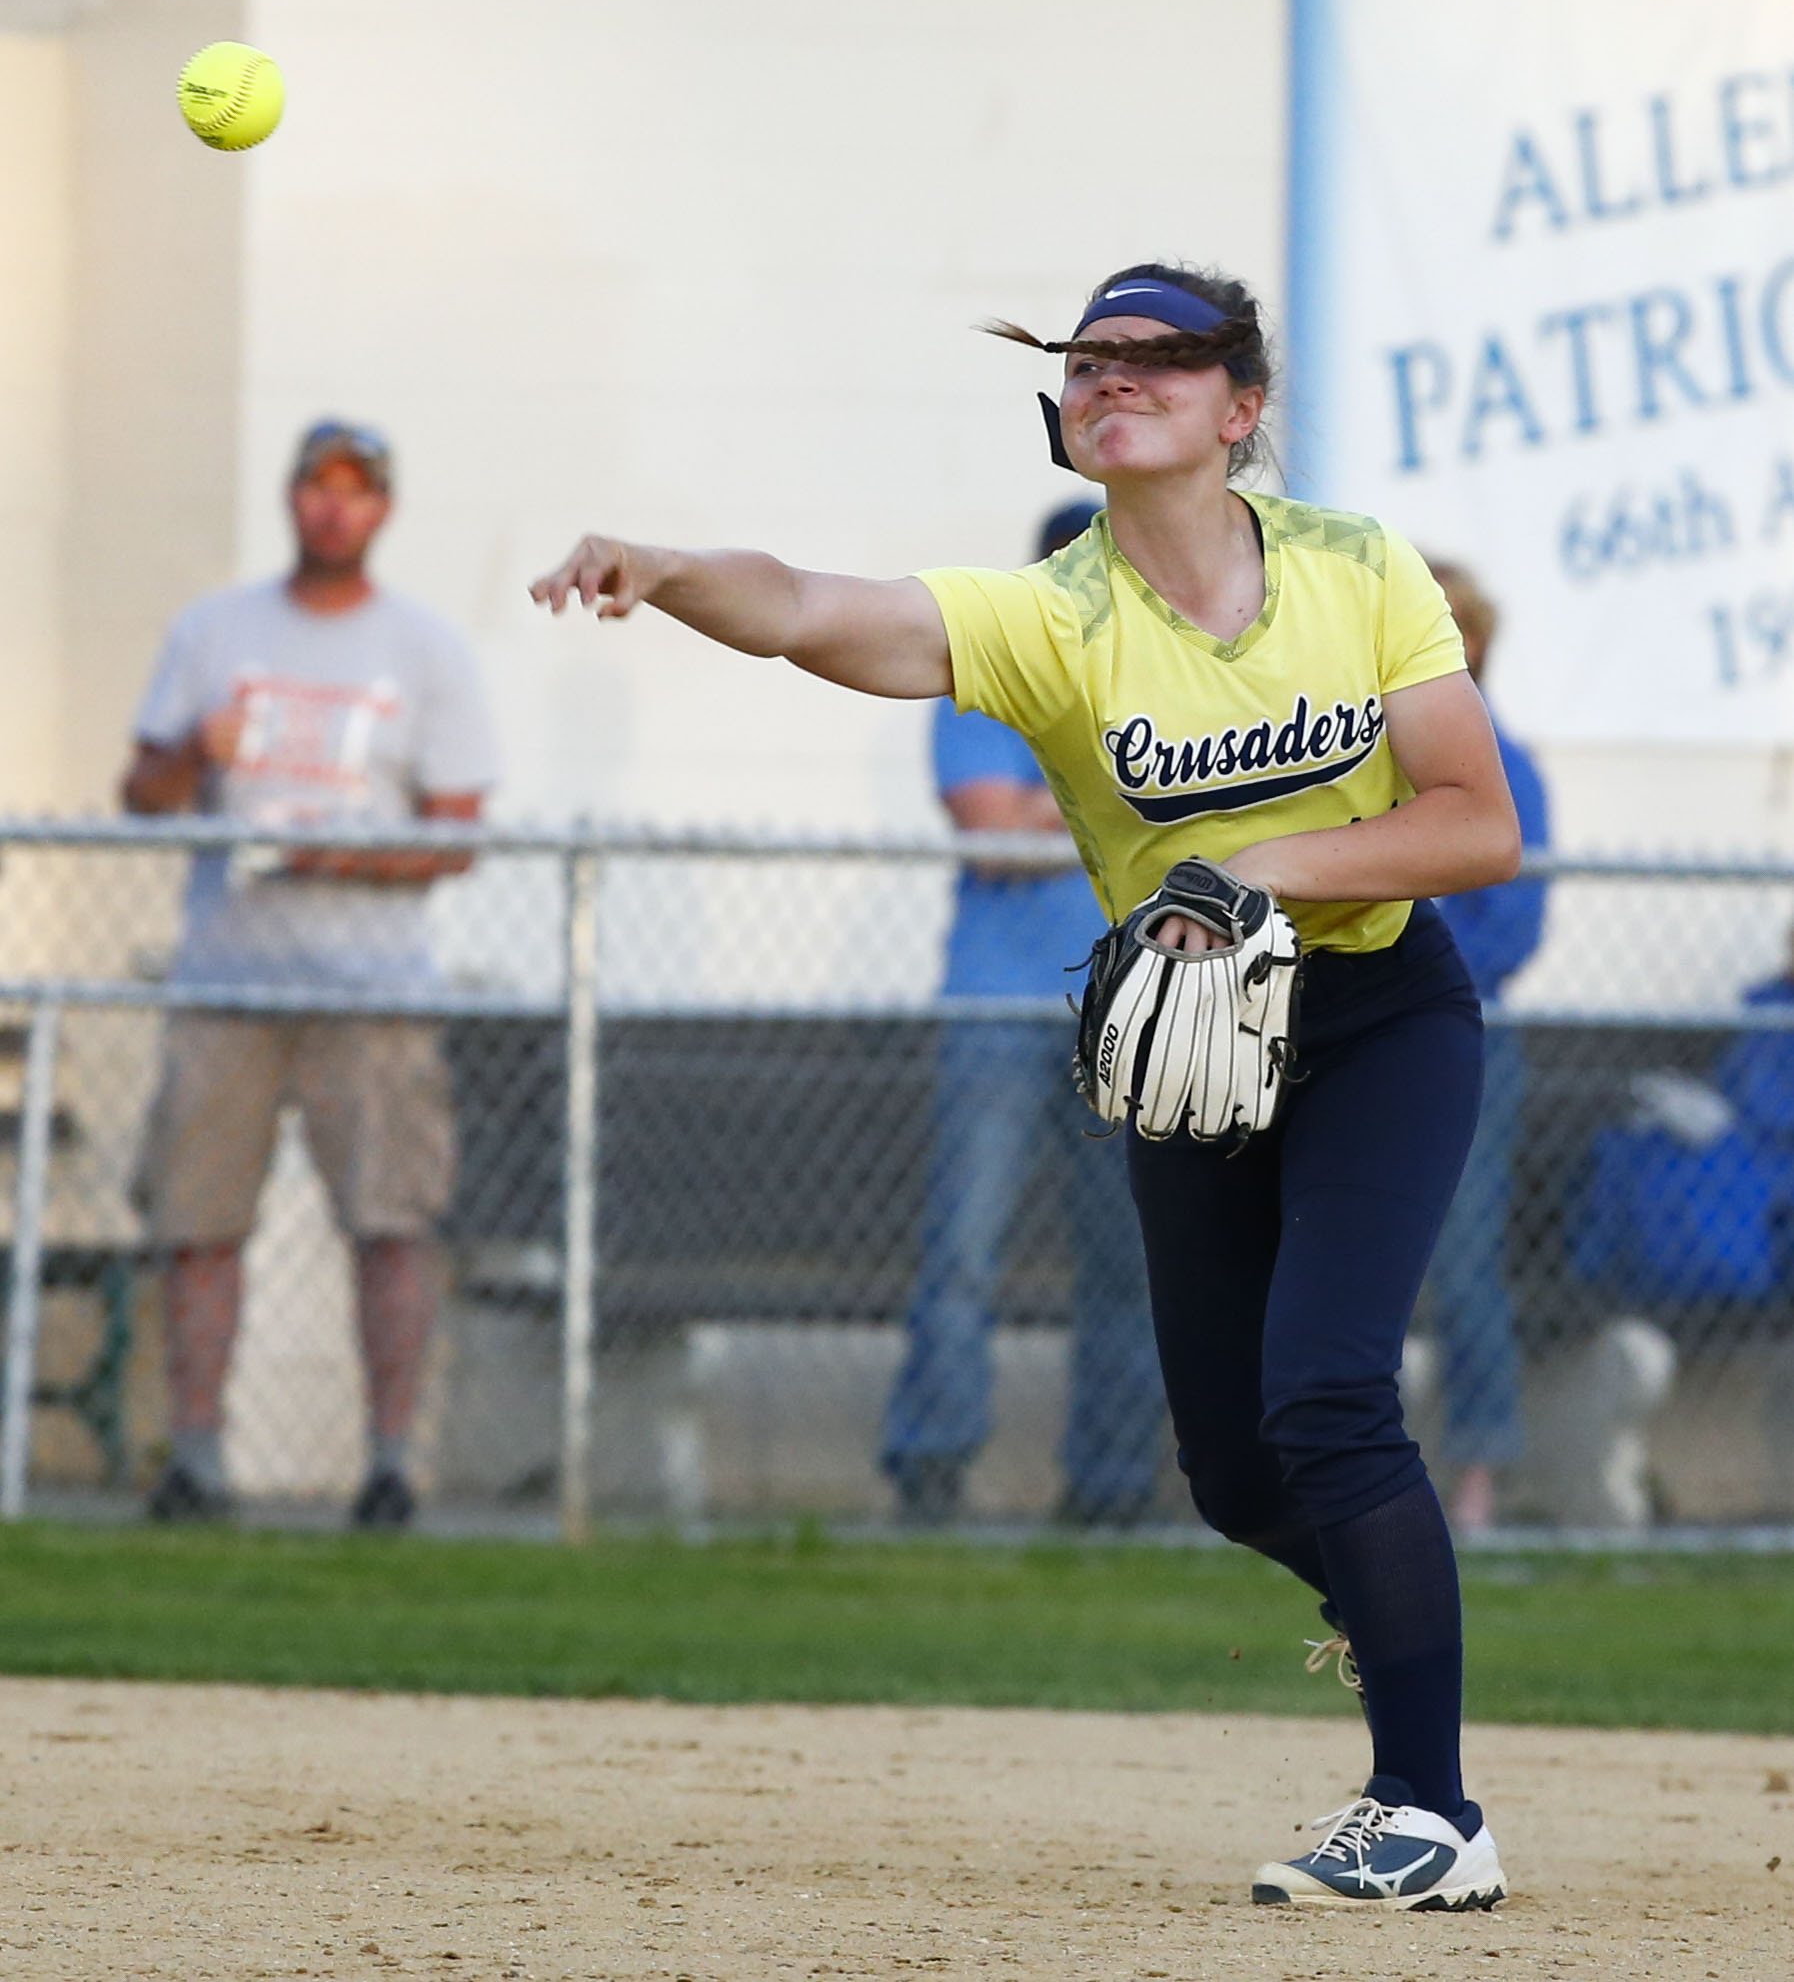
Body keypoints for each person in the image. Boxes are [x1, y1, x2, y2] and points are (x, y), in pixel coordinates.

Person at [530, 261, 1521, 1910]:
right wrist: (672, 565)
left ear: (1237, 405)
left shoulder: (1352, 568)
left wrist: (1252, 861)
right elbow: (801, 606)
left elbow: (1472, 819)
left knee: (1328, 1392)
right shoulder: (1057, 611)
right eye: (1085, 358)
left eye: (1157, 355)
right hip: (1192, 1053)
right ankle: (1396, 1593)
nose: (1109, 374)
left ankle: (1429, 1807)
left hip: (1372, 1018)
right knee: (1230, 1465)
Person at [124, 421, 500, 1529]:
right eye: (317, 487)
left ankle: (391, 1468)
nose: (334, 508)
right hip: (227, 979)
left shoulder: (425, 648)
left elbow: (460, 832)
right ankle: (195, 1458)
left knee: (391, 1223)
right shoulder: (212, 631)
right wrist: (199, 749)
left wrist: (329, 855)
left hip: (371, 984)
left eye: (357, 491)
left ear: (383, 509)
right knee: (200, 1222)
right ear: (291, 499)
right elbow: (140, 793)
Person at [881, 498, 1165, 1530]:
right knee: (965, 1251)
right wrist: (1121, 791)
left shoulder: (1170, 676)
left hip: (1130, 1005)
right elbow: (994, 833)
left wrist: (1070, 802)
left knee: (1131, 1261)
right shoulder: (980, 677)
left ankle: (1111, 1484)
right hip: (999, 1006)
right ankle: (931, 1467)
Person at [1423, 560, 1550, 1533]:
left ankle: (1476, 1477)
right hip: (1327, 1032)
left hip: (1455, 1039)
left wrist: (1400, 961)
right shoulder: (1349, 751)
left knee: (1463, 1262)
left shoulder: (1510, 769)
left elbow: (1512, 926)